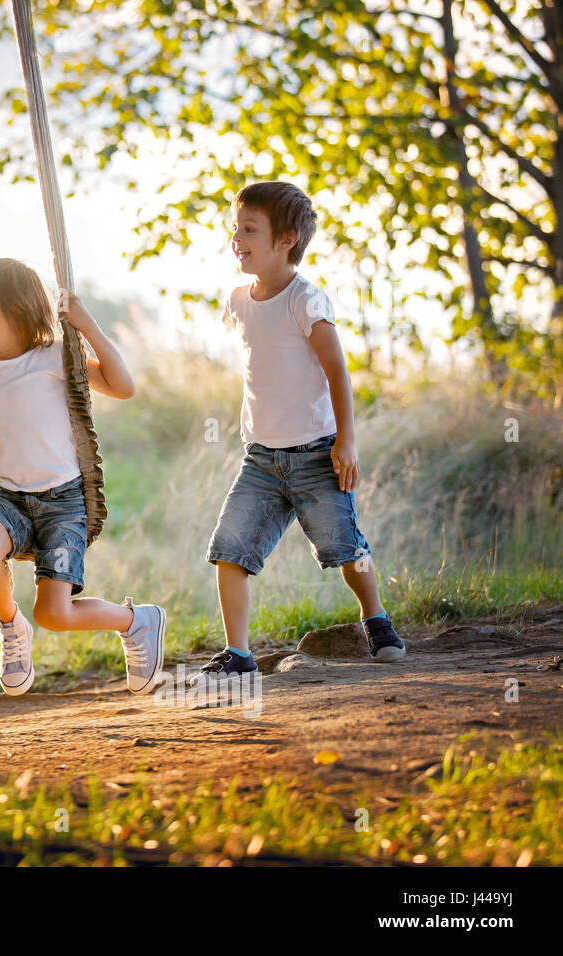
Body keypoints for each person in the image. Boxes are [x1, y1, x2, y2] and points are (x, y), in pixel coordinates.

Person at [197, 181, 405, 684]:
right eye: (235, 228)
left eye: (249, 230)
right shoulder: (238, 300)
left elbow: (337, 372)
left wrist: (345, 442)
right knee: (230, 548)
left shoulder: (306, 300)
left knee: (344, 547)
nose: (236, 238)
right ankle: (239, 652)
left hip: (316, 455)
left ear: (287, 238)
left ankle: (375, 620)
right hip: (261, 460)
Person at [0, 257, 166, 696]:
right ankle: (10, 626)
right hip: (8, 499)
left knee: (55, 615)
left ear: (16, 312)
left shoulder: (55, 355)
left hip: (63, 503)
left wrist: (88, 326)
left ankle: (137, 621)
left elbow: (122, 386)